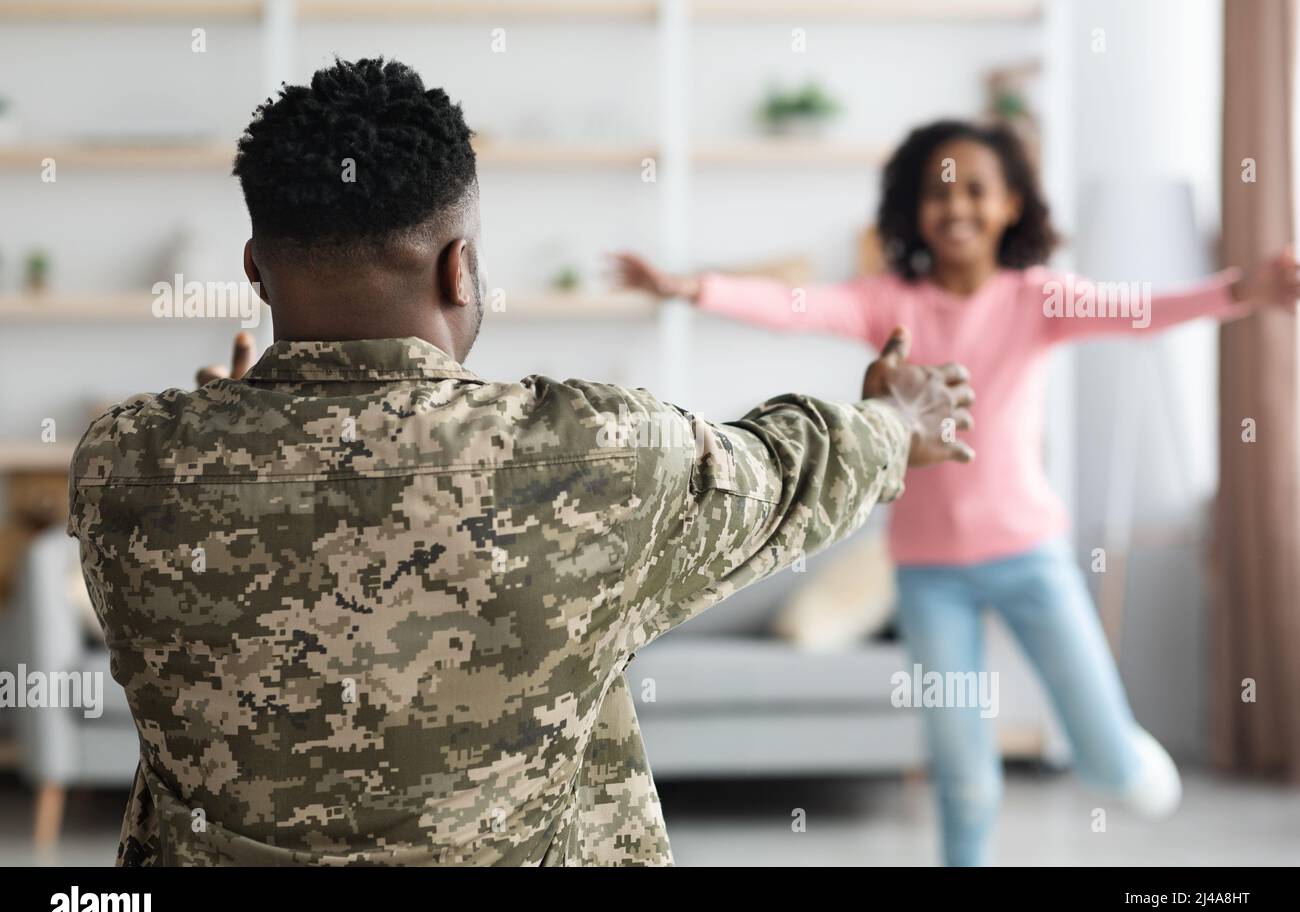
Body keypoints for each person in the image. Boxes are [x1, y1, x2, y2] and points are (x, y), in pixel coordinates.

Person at [66, 59, 973, 866]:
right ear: (461, 268)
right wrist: (898, 420)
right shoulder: (598, 456)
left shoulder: (120, 468)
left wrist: (219, 441)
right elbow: (789, 471)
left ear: (256, 269)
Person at [613, 119, 1300, 866]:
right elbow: (797, 307)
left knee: (1108, 762)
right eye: (939, 191)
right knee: (963, 775)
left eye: (977, 189)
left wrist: (1243, 290)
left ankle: (1127, 765)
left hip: (1030, 558)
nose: (957, 206)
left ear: (1011, 206)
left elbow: (1139, 312)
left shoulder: (1037, 299)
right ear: (914, 211)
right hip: (928, 572)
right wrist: (691, 287)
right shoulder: (889, 302)